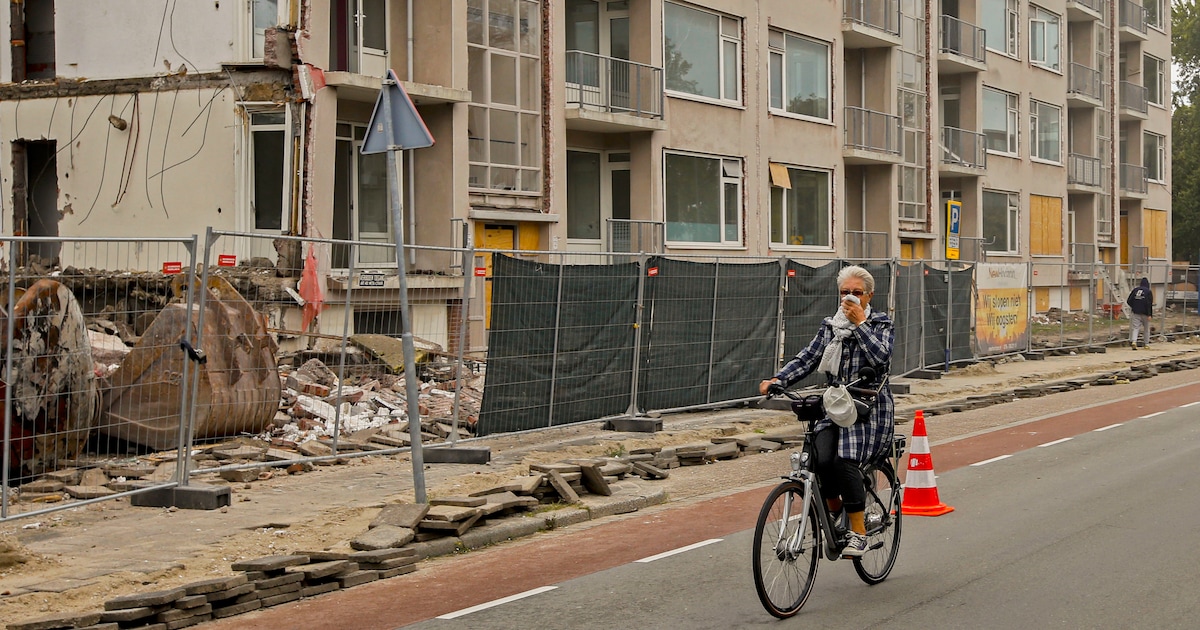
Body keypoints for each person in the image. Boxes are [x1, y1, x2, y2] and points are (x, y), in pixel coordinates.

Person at [758, 265, 894, 558]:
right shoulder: (831, 325)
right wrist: (778, 379)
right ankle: (835, 516)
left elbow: (881, 357)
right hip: (836, 404)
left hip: (867, 406)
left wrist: (860, 325)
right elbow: (809, 357)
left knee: (845, 459)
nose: (850, 298)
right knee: (820, 458)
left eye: (857, 293)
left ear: (869, 296)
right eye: (845, 292)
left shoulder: (881, 324)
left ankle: (858, 533)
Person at [1126, 277, 1153, 349]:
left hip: (1136, 312)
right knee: (1146, 329)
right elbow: (1149, 304)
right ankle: (1146, 344)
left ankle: (1134, 341)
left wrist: (1134, 307)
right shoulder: (1148, 291)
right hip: (1145, 313)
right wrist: (1150, 314)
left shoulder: (1135, 290)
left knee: (1135, 328)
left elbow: (1129, 300)